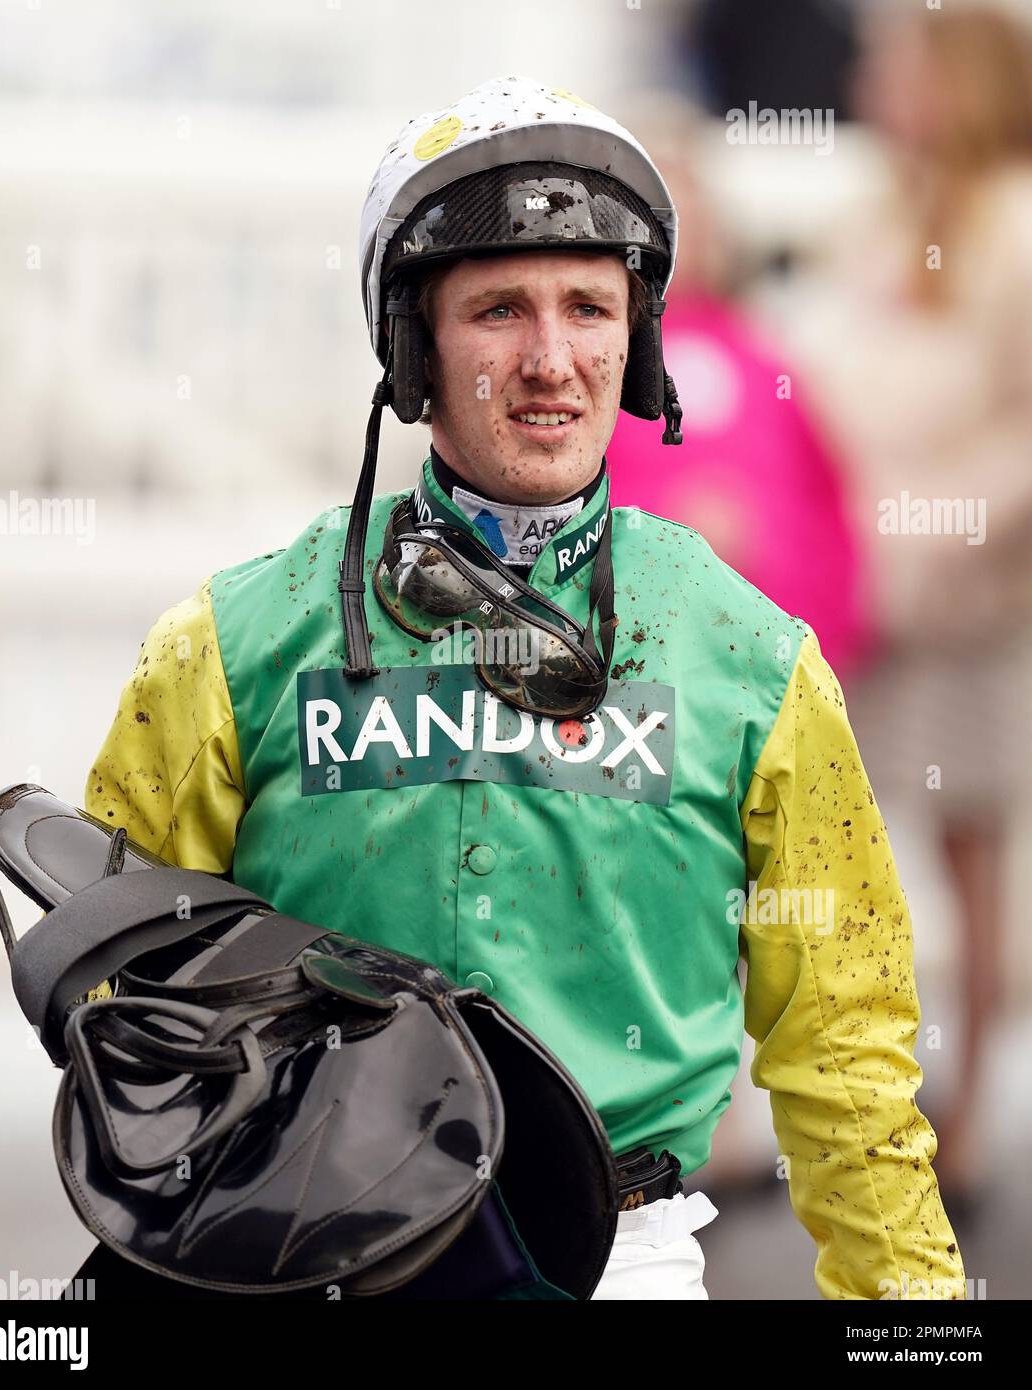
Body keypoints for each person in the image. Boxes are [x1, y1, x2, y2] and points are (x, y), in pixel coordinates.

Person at [83, 76, 964, 1300]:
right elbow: (120, 1006)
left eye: (589, 308)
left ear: (637, 340)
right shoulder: (228, 645)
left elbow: (848, 1052)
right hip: (300, 1253)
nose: (553, 361)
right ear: (412, 345)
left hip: (621, 1254)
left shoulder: (756, 660)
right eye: (500, 309)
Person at [785, 4, 1032, 1220]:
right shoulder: (877, 217)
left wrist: (928, 535)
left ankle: (974, 1119)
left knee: (974, 855)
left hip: (969, 605)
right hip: (859, 597)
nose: (874, 79)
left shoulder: (1019, 229)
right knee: (831, 852)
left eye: (898, 62)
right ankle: (835, 1112)